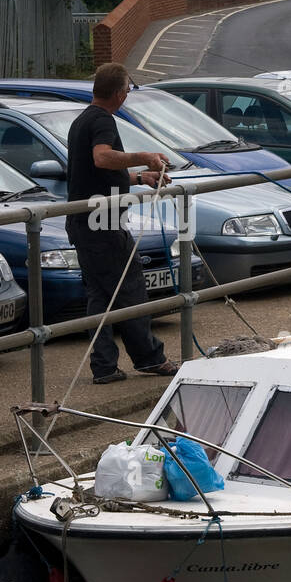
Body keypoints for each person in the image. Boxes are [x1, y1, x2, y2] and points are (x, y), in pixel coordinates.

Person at [66, 62, 178, 384]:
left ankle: (104, 367)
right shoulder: (102, 121)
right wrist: (144, 155)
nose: (127, 95)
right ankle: (149, 359)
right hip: (101, 224)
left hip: (85, 223)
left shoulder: (82, 121)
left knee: (101, 297)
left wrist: (141, 177)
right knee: (130, 289)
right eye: (127, 90)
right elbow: (103, 157)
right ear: (118, 93)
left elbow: (97, 172)